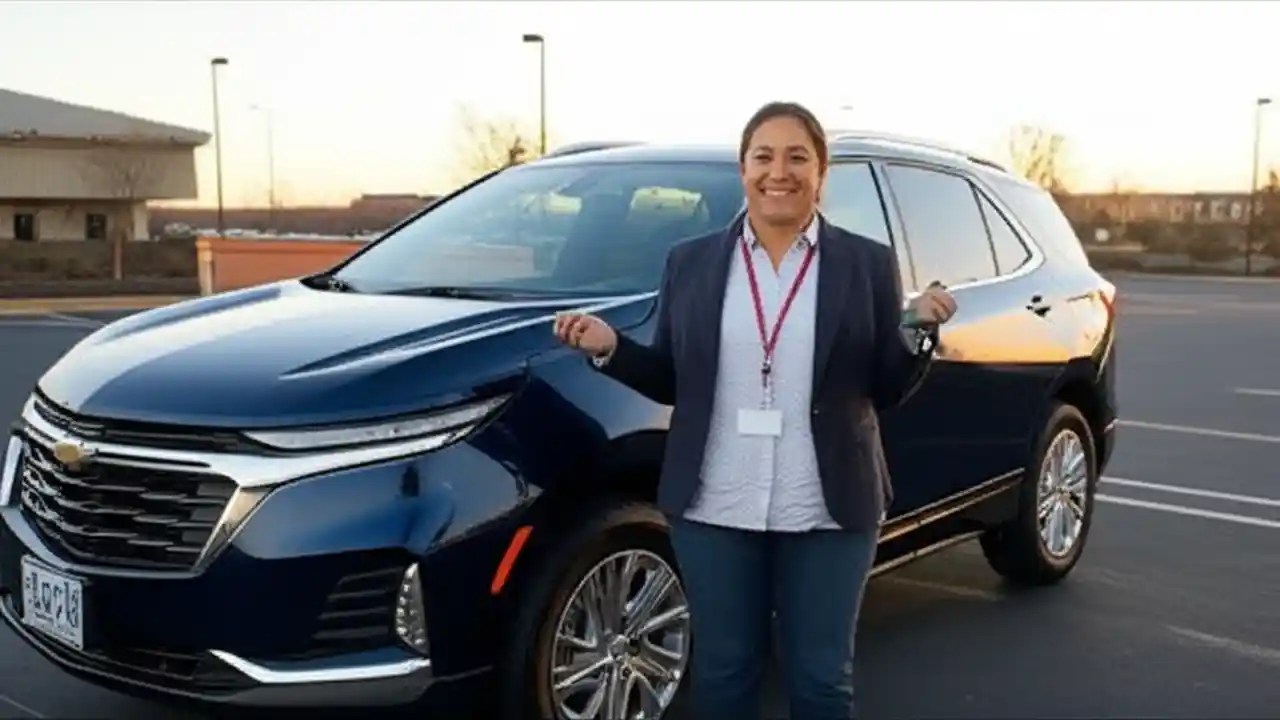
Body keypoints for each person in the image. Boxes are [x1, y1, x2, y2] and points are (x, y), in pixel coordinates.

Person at [553, 101, 957, 720]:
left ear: (822, 174)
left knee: (821, 680)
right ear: (743, 170)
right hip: (716, 505)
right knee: (723, 676)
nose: (780, 171)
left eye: (799, 157)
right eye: (764, 156)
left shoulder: (864, 263)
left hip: (828, 506)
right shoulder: (690, 262)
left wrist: (920, 333)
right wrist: (612, 349)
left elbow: (885, 384)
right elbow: (672, 379)